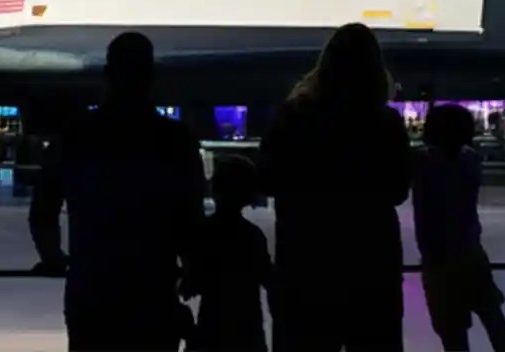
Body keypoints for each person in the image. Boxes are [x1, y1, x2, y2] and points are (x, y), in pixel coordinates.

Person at [28, 32, 206, 351]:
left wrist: (53, 257)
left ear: (108, 75)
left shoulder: (76, 134)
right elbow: (190, 215)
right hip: (153, 292)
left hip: (92, 291)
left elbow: (43, 207)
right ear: (151, 77)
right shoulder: (175, 139)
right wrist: (191, 268)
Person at [259, 22, 412, 352]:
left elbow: (269, 178)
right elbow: (398, 189)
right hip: (371, 268)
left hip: (304, 266)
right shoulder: (384, 124)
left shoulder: (293, 116)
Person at [413, 104, 505, 352]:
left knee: (453, 336)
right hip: (472, 252)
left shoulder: (424, 164)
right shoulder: (470, 159)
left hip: (438, 260)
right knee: (494, 319)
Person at [181, 155, 271, 352]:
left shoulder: (202, 232)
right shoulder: (253, 235)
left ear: (214, 188)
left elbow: (191, 284)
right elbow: (268, 277)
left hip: (211, 330)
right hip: (248, 332)